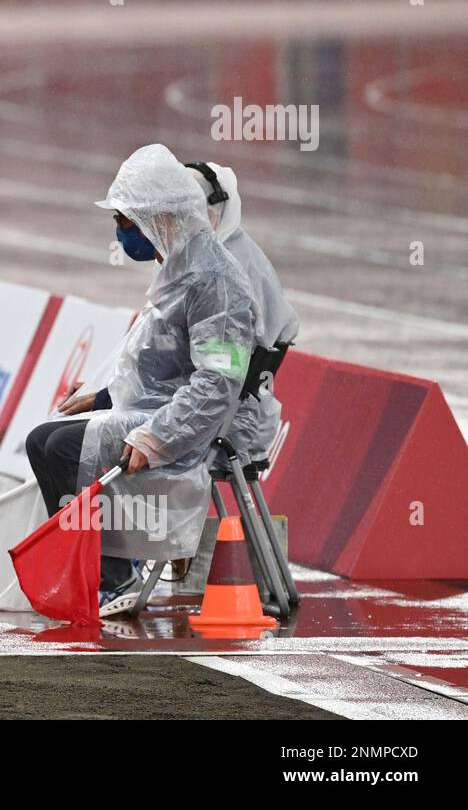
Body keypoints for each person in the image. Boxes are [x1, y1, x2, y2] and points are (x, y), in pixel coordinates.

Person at [25, 144, 256, 616]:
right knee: (41, 440)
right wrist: (102, 398)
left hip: (192, 426)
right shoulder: (176, 266)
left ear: (160, 217)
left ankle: (115, 574)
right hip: (156, 410)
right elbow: (156, 366)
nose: (119, 233)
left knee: (64, 449)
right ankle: (82, 566)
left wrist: (159, 435)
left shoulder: (216, 280)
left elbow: (217, 382)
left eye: (126, 222)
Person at [184, 161, 300, 469]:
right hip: (218, 412)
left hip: (230, 426)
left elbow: (217, 376)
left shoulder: (228, 271)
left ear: (216, 211)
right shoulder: (211, 257)